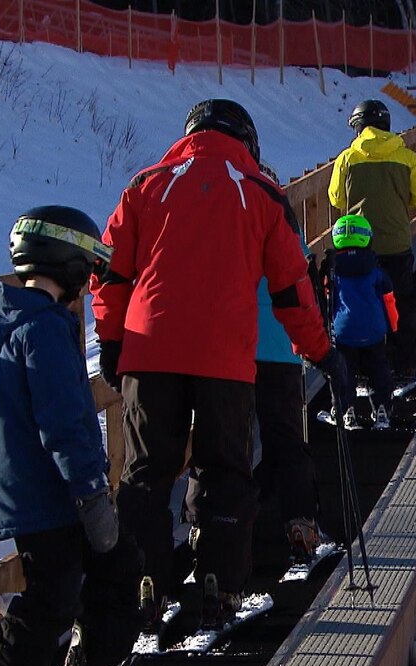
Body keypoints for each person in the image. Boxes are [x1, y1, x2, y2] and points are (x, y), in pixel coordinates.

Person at [91, 98, 348, 631]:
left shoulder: (146, 184)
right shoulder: (259, 192)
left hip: (150, 349)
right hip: (224, 357)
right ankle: (220, 589)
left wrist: (112, 341)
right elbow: (292, 290)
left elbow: (111, 270)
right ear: (247, 140)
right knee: (223, 469)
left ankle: (145, 591)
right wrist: (322, 352)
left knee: (145, 473)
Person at [0, 205, 137, 666]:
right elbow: (64, 422)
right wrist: (91, 493)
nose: (89, 284)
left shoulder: (21, 319)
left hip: (35, 489)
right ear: (66, 263)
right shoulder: (42, 328)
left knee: (93, 575)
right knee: (52, 597)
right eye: (88, 271)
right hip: (45, 492)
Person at [328, 98, 416, 384]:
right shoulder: (406, 157)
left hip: (358, 247)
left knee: (358, 303)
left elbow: (336, 198)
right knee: (400, 304)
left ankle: (360, 371)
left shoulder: (347, 159)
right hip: (397, 244)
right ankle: (405, 368)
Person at [253, 160, 325, 565]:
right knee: (287, 440)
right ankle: (301, 523)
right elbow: (299, 273)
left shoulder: (223, 215)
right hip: (280, 348)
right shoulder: (277, 210)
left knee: (224, 446)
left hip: (230, 352)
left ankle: (206, 529)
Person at [324, 214, 399, 431]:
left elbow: (328, 302)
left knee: (344, 371)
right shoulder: (376, 271)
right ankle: (382, 409)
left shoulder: (333, 271)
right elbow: (389, 301)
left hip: (344, 331)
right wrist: (392, 327)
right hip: (373, 331)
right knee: (378, 368)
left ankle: (346, 410)